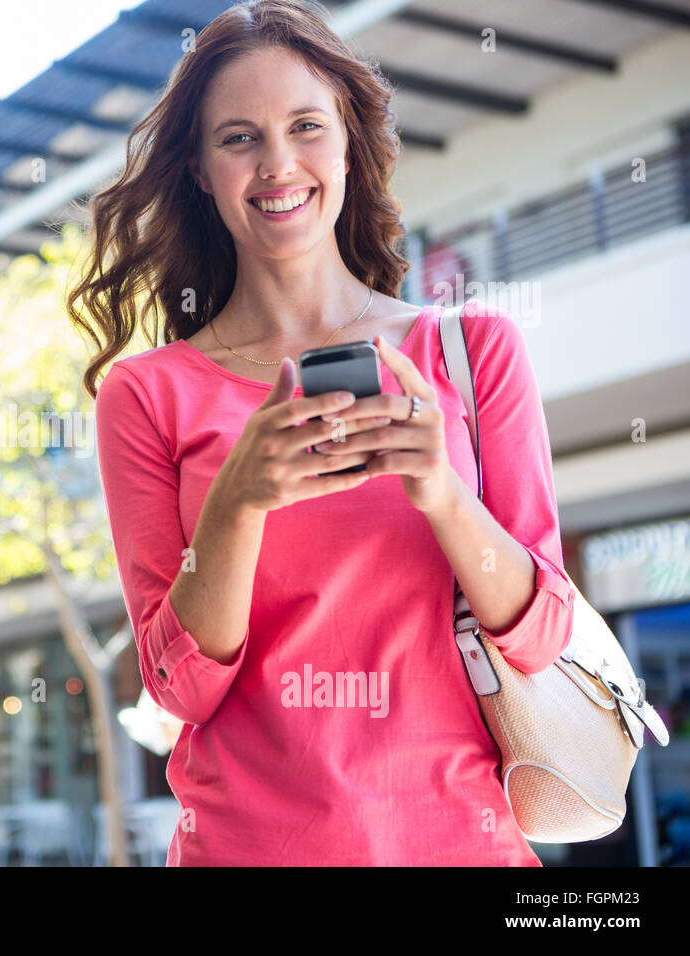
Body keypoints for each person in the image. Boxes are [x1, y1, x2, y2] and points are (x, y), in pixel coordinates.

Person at [67, 0, 575, 865]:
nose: (278, 164)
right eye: (239, 138)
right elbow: (180, 688)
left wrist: (444, 495)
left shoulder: (472, 351)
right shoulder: (147, 394)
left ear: (346, 142)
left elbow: (542, 635)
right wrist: (236, 504)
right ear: (197, 168)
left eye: (306, 126)